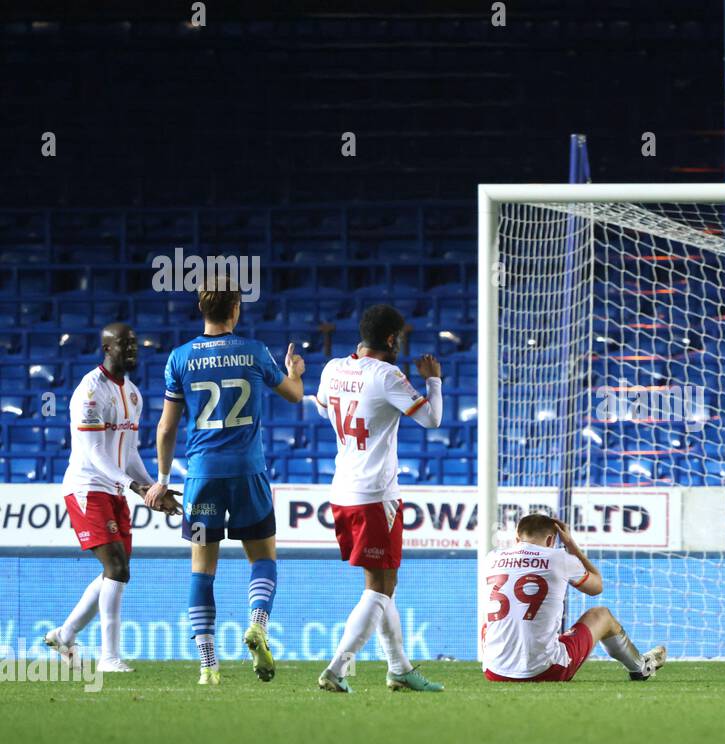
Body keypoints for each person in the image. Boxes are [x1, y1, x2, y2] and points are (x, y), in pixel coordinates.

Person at [145, 280, 304, 685]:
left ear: (202, 310)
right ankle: (257, 625)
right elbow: (294, 395)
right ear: (235, 310)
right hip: (248, 473)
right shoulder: (254, 351)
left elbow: (166, 428)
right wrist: (294, 373)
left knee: (202, 570)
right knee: (263, 558)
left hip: (202, 479)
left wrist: (162, 479)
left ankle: (207, 665)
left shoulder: (179, 359)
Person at [311, 304, 445, 693]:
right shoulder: (387, 375)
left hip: (342, 491)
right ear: (390, 338)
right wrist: (433, 381)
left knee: (386, 583)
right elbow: (431, 419)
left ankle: (399, 668)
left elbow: (322, 409)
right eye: (400, 336)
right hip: (375, 495)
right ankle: (337, 668)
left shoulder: (333, 368)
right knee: (378, 589)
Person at [46, 323, 181, 672]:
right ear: (107, 349)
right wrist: (136, 488)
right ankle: (109, 658)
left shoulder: (132, 393)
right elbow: (94, 455)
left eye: (136, 344)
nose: (133, 350)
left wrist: (154, 487)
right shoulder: (90, 392)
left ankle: (66, 634)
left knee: (115, 573)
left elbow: (129, 452)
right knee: (117, 569)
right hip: (87, 487)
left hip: (115, 490)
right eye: (125, 344)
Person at [481, 513, 666, 682]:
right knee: (602, 615)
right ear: (551, 540)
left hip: (493, 670)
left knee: (491, 622)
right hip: (546, 671)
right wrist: (570, 544)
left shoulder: (492, 558)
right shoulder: (558, 557)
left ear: (517, 538)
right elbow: (596, 587)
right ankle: (641, 667)